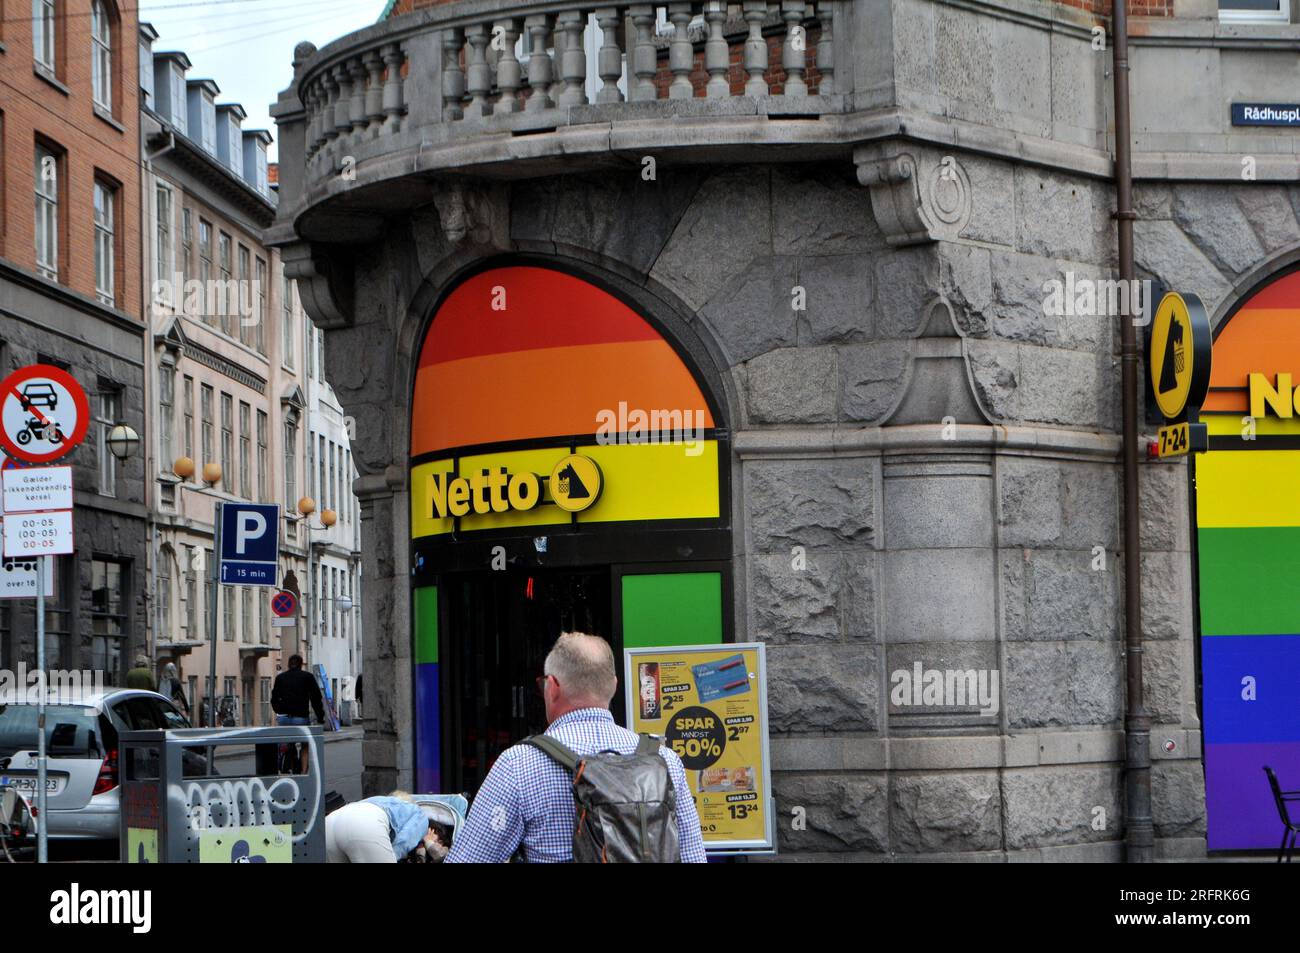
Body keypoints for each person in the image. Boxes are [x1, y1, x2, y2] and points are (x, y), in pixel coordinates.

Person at [446, 632, 707, 863]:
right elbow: (693, 857)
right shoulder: (664, 760)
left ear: (552, 687)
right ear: (614, 686)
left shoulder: (519, 764)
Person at [325, 791, 445, 863]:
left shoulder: (390, 803)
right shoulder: (421, 817)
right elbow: (402, 844)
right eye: (439, 840)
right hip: (364, 824)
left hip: (331, 821)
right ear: (433, 830)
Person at [271, 655, 324, 772]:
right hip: (300, 718)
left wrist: (279, 711)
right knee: (305, 743)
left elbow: (274, 698)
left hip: (283, 718)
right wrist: (320, 717)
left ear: (289, 664)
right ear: (301, 665)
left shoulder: (280, 678)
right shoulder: (307, 677)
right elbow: (316, 699)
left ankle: (283, 760)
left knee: (284, 741)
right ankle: (304, 771)